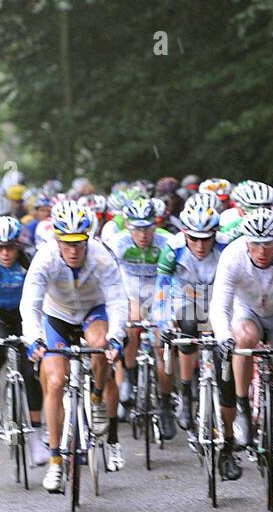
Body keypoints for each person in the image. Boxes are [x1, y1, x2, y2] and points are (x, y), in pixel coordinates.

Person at [22, 200, 128, 493]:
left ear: (88, 239)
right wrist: (33, 339)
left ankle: (95, 398)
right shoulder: (44, 258)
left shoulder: (102, 256)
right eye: (66, 243)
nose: (73, 250)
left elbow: (118, 300)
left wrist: (117, 335)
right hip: (56, 315)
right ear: (56, 238)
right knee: (55, 381)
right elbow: (30, 303)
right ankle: (55, 460)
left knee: (100, 343)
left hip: (94, 311)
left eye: (79, 243)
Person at [211, 208, 273, 476]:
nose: (262, 250)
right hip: (246, 311)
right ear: (246, 241)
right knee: (243, 340)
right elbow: (219, 305)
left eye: (268, 244)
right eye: (256, 244)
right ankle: (243, 406)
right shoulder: (232, 255)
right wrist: (224, 337)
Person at [155, 197, 230, 471]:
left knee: (224, 353)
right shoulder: (172, 249)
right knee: (187, 325)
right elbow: (161, 291)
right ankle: (185, 393)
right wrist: (164, 323)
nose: (200, 246)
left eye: (206, 239)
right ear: (184, 233)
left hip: (216, 302)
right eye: (194, 239)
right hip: (183, 300)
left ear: (215, 234)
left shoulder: (226, 246)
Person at [0, 216, 50, 466]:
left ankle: (36, 437)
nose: (5, 253)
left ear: (18, 245)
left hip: (23, 313)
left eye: (10, 247)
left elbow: (46, 298)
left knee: (30, 370)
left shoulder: (30, 258)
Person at [107, 198, 172, 425]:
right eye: (137, 229)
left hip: (158, 292)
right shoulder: (118, 243)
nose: (143, 235)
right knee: (132, 323)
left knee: (162, 344)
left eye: (148, 228)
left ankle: (165, 404)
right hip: (131, 289)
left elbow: (174, 279)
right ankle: (129, 377)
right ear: (128, 226)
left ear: (155, 225)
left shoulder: (167, 242)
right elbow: (108, 276)